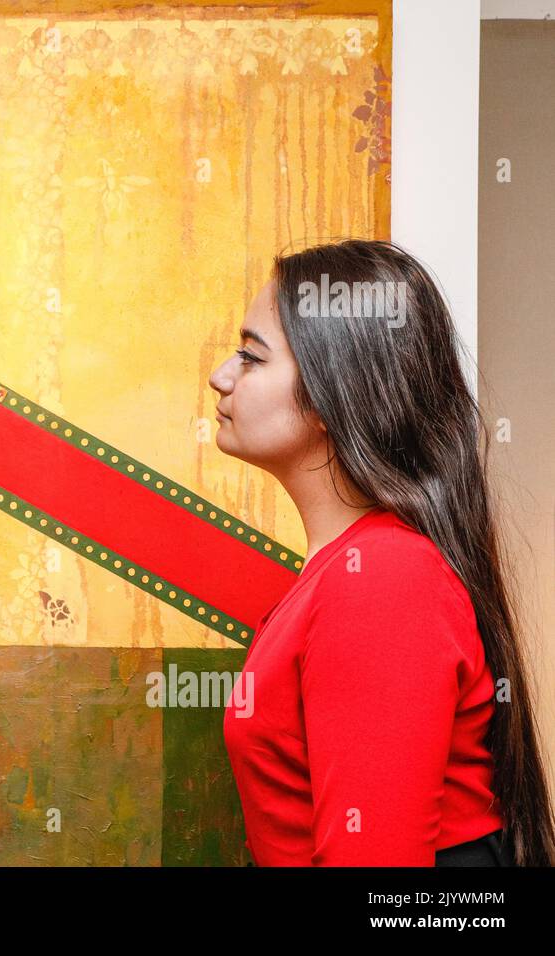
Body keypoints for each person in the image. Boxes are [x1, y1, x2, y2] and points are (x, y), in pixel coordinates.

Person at [211, 238, 553, 866]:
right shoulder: (348, 571)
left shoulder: (383, 579)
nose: (221, 376)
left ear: (327, 395)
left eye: (250, 358)